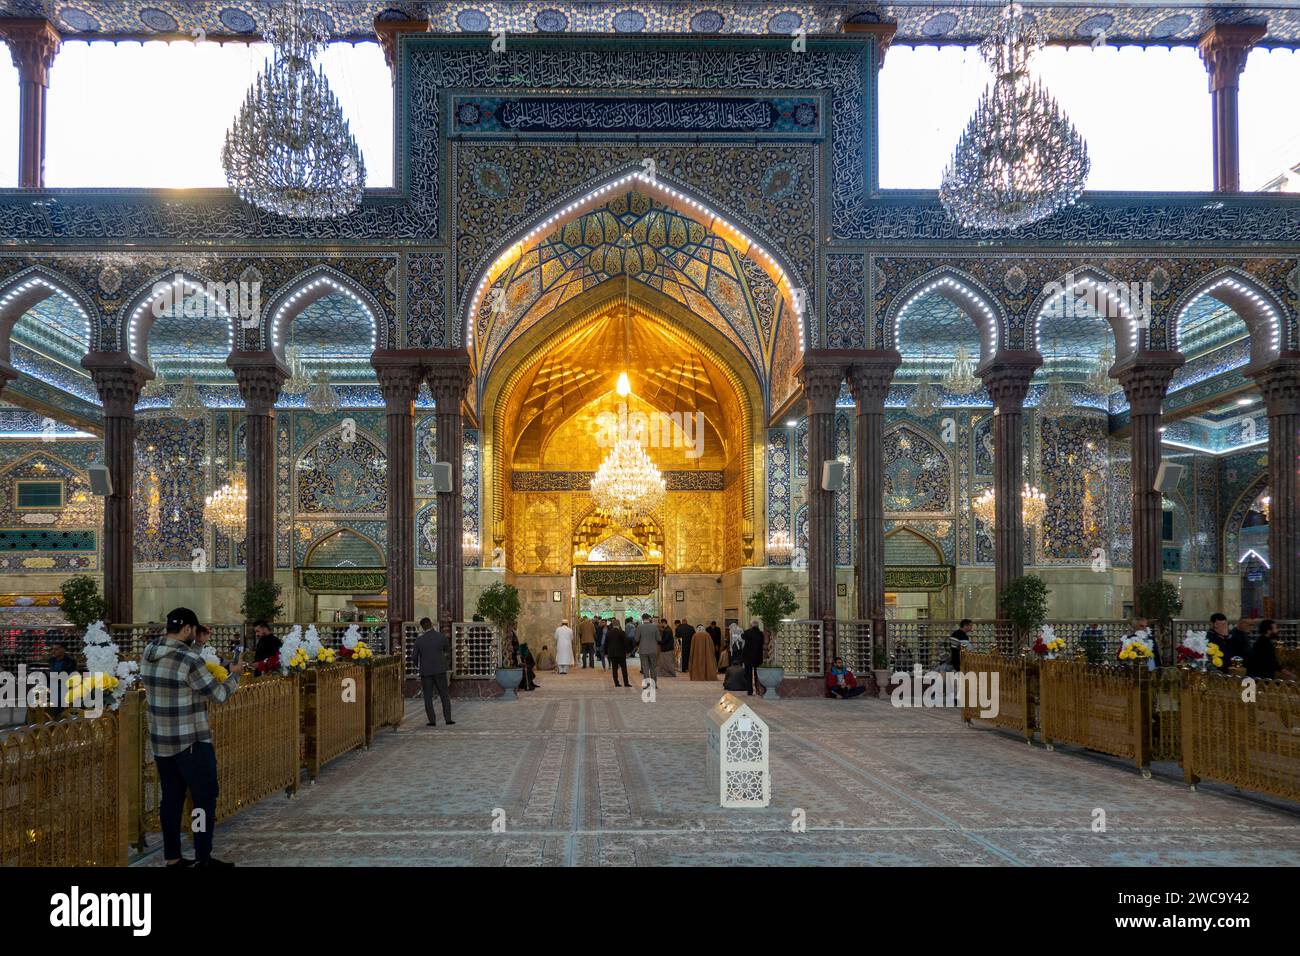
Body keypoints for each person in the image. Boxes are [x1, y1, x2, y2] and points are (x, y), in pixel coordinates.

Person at [140, 607, 242, 867]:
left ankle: (172, 858)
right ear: (187, 628)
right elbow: (217, 695)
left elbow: (180, 672)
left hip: (162, 742)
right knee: (202, 799)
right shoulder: (188, 660)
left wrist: (198, 644)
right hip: (191, 742)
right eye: (193, 631)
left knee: (171, 799)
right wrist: (236, 675)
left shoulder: (150, 653)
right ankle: (202, 856)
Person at [414, 617, 454, 727]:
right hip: (440, 670)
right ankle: (448, 719)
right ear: (431, 624)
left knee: (428, 697)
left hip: (426, 672)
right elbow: (447, 651)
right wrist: (443, 662)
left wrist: (420, 666)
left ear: (422, 627)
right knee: (444, 695)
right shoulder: (441, 637)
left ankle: (432, 721)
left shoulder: (419, 640)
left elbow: (414, 657)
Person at [47, 641, 76, 716]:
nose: (54, 651)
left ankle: (57, 719)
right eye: (53, 649)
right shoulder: (51, 660)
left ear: (63, 650)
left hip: (64, 685)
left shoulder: (70, 661)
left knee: (58, 698)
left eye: (56, 649)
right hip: (52, 685)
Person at [741, 617, 765, 696]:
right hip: (758, 657)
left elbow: (742, 636)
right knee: (757, 674)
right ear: (758, 626)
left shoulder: (747, 632)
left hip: (748, 657)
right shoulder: (761, 634)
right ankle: (758, 690)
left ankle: (750, 691)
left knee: (748, 674)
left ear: (751, 625)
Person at [604, 618, 631, 688]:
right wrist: (628, 651)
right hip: (621, 653)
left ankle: (616, 683)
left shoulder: (609, 632)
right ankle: (626, 683)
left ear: (613, 625)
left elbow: (605, 643)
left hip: (612, 653)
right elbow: (625, 643)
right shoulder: (622, 632)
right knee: (624, 668)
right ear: (619, 625)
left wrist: (606, 653)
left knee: (614, 668)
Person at [636, 613, 660, 687]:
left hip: (643, 650)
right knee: (653, 667)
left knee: (645, 667)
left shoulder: (640, 627)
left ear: (642, 619)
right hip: (653, 649)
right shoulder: (655, 626)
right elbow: (659, 638)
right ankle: (654, 684)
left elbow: (636, 639)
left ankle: (646, 684)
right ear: (649, 618)